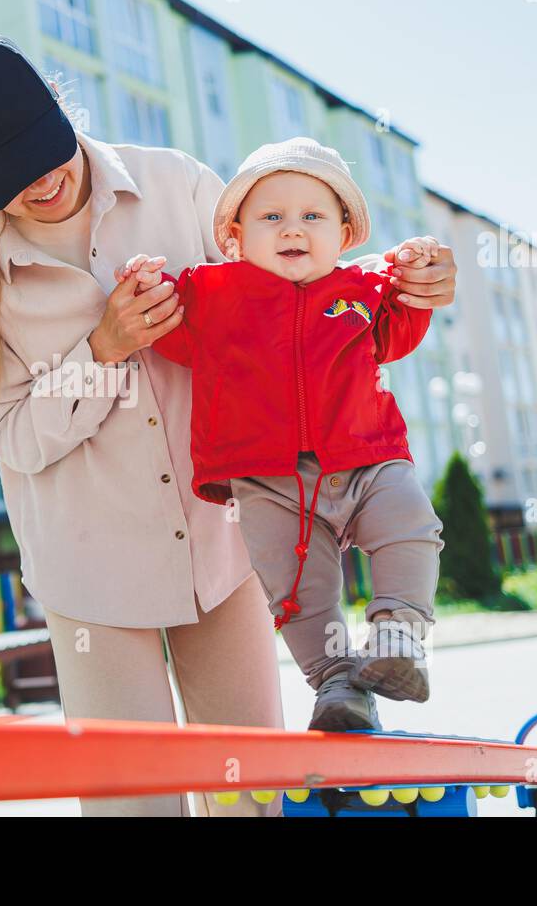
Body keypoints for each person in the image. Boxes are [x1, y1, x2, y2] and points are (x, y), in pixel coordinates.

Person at [0, 36, 457, 815]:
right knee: (135, 807)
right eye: (11, 175)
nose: (43, 181)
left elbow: (297, 298)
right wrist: (102, 350)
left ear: (61, 113)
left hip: (222, 545)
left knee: (251, 796)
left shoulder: (178, 186)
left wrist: (406, 290)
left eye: (48, 151)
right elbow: (17, 437)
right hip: (93, 578)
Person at [118, 136, 445, 733]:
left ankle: (398, 634)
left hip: (368, 457)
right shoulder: (211, 294)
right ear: (237, 236)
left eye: (312, 216)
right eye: (272, 217)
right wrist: (146, 291)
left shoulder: (362, 290)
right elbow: (169, 334)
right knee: (298, 591)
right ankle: (338, 684)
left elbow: (397, 335)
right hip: (268, 480)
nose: (293, 229)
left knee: (411, 530)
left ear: (344, 235)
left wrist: (414, 279)